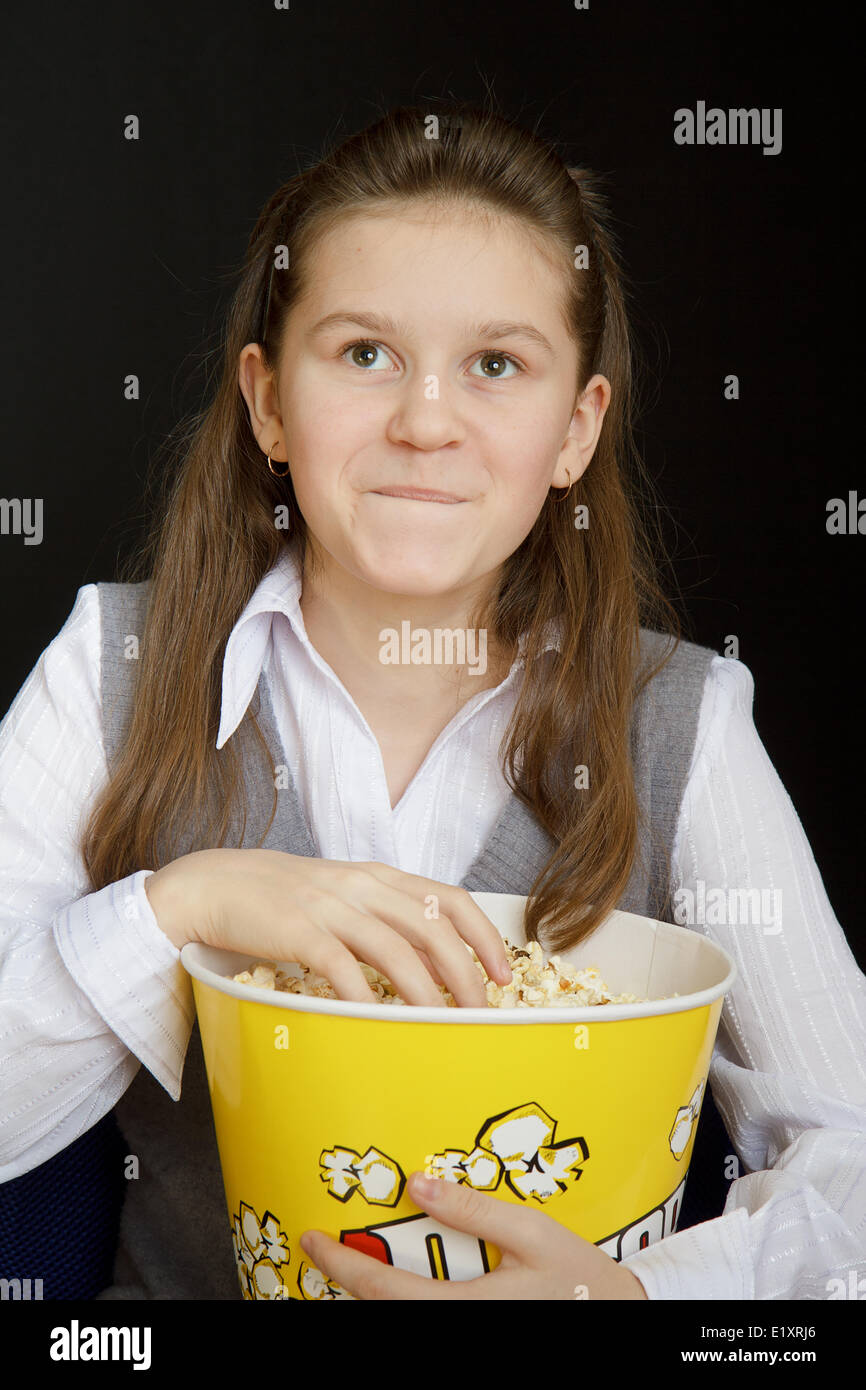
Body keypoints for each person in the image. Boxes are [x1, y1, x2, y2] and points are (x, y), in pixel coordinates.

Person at [1, 99, 864, 1302]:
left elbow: (848, 1155)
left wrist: (631, 1299)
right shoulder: (114, 662)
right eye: (364, 354)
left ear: (573, 432)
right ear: (267, 402)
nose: (423, 422)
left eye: (495, 366)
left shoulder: (682, 718)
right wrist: (180, 904)